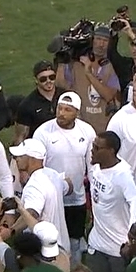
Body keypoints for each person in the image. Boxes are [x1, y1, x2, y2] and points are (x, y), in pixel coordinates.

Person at [35, 92, 96, 261]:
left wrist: (93, 192)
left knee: (74, 239)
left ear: (77, 112)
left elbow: (91, 165)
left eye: (67, 110)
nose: (61, 113)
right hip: (52, 198)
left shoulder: (87, 131)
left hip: (77, 198)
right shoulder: (43, 132)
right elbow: (37, 166)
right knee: (50, 238)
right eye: (60, 108)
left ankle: (74, 271)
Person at [87, 131, 136, 272]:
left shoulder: (122, 175)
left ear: (110, 151)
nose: (92, 150)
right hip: (96, 242)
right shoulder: (96, 167)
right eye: (93, 146)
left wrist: (131, 239)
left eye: (97, 147)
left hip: (118, 247)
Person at [12, 139, 71, 259]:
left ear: (32, 159)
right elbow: (69, 186)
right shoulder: (52, 174)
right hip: (62, 245)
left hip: (44, 249)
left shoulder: (34, 185)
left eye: (21, 156)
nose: (16, 159)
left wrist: (11, 230)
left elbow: (31, 213)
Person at [59, 25, 121, 133]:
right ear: (92, 41)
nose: (101, 44)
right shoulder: (76, 65)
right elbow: (60, 84)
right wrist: (61, 60)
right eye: (98, 39)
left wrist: (88, 73)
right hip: (80, 128)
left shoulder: (108, 67)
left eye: (105, 41)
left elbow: (109, 95)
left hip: (102, 128)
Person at [12, 60, 62, 144]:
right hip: (40, 149)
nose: (48, 81)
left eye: (52, 77)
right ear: (36, 80)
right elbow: (20, 137)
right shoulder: (27, 105)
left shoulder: (65, 96)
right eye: (43, 79)